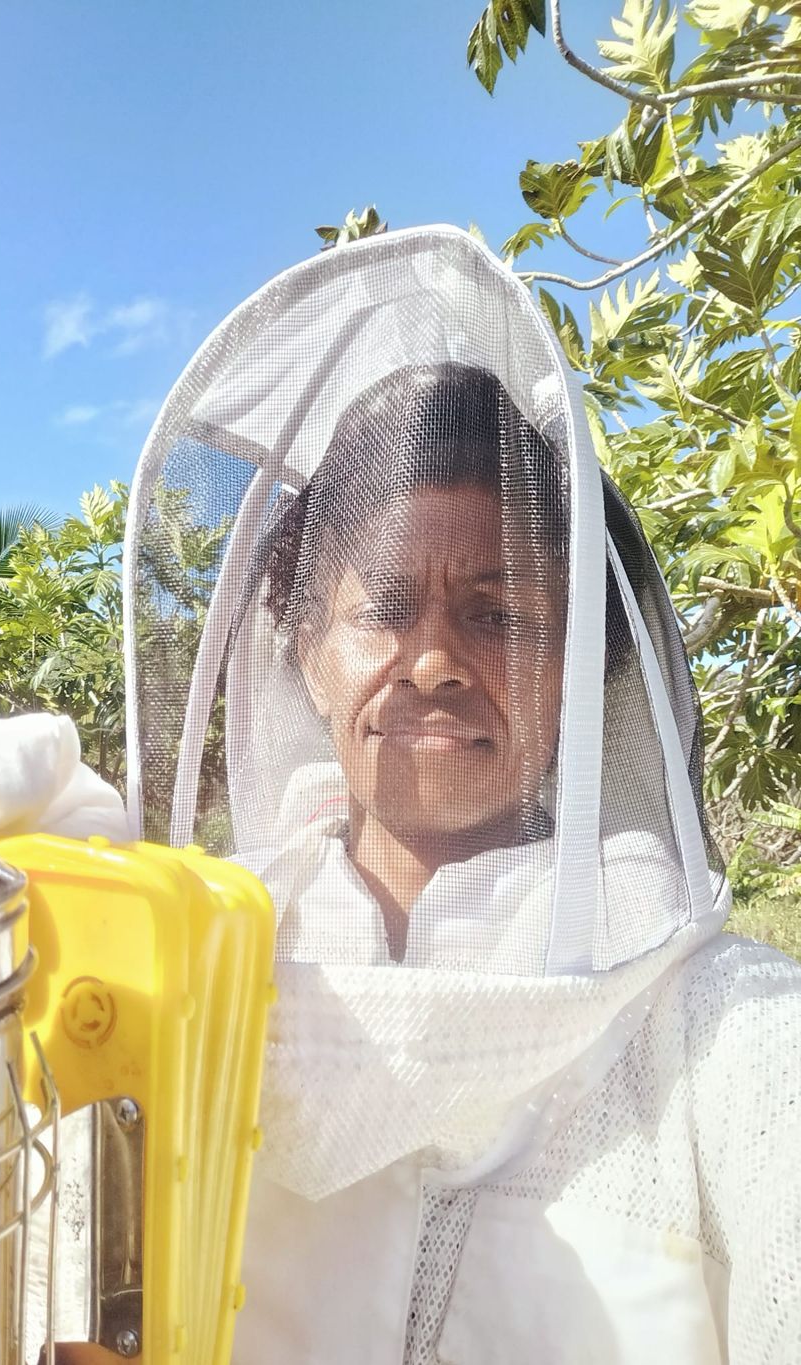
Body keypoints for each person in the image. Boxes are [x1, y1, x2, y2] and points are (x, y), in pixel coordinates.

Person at [121, 226, 801, 1363]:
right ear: (302, 645)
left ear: (581, 669)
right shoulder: (186, 983)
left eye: (500, 613)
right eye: (384, 607)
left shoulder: (725, 1029)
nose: (432, 660)